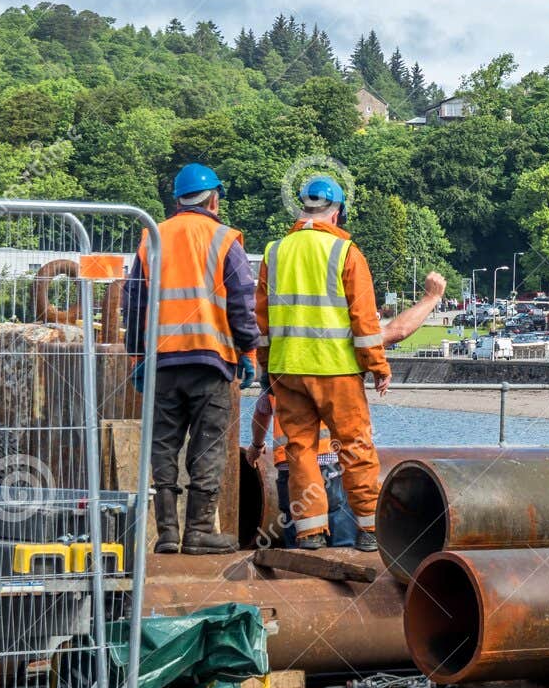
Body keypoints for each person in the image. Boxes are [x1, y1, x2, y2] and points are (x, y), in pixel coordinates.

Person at [247, 271, 446, 548]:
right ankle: (363, 542)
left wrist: (256, 447)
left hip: (290, 468)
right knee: (343, 541)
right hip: (333, 461)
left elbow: (262, 410)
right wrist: (431, 297)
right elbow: (397, 331)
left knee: (301, 536)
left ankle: (307, 553)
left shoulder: (282, 357)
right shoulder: (344, 345)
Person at [124, 163, 259, 554]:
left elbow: (134, 302)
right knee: (208, 447)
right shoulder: (224, 239)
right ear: (213, 198)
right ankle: (199, 531)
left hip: (164, 363)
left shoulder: (152, 237)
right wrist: (247, 351)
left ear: (178, 200)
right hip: (211, 363)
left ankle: (166, 533)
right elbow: (241, 303)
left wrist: (137, 356)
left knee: (163, 445)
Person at [256, 175, 390, 553]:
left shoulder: (274, 252)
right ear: (338, 212)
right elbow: (364, 321)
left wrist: (266, 368)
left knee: (299, 450)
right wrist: (377, 366)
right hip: (336, 370)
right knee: (355, 446)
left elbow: (261, 321)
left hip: (288, 370)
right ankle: (370, 529)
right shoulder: (346, 253)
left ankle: (311, 533)